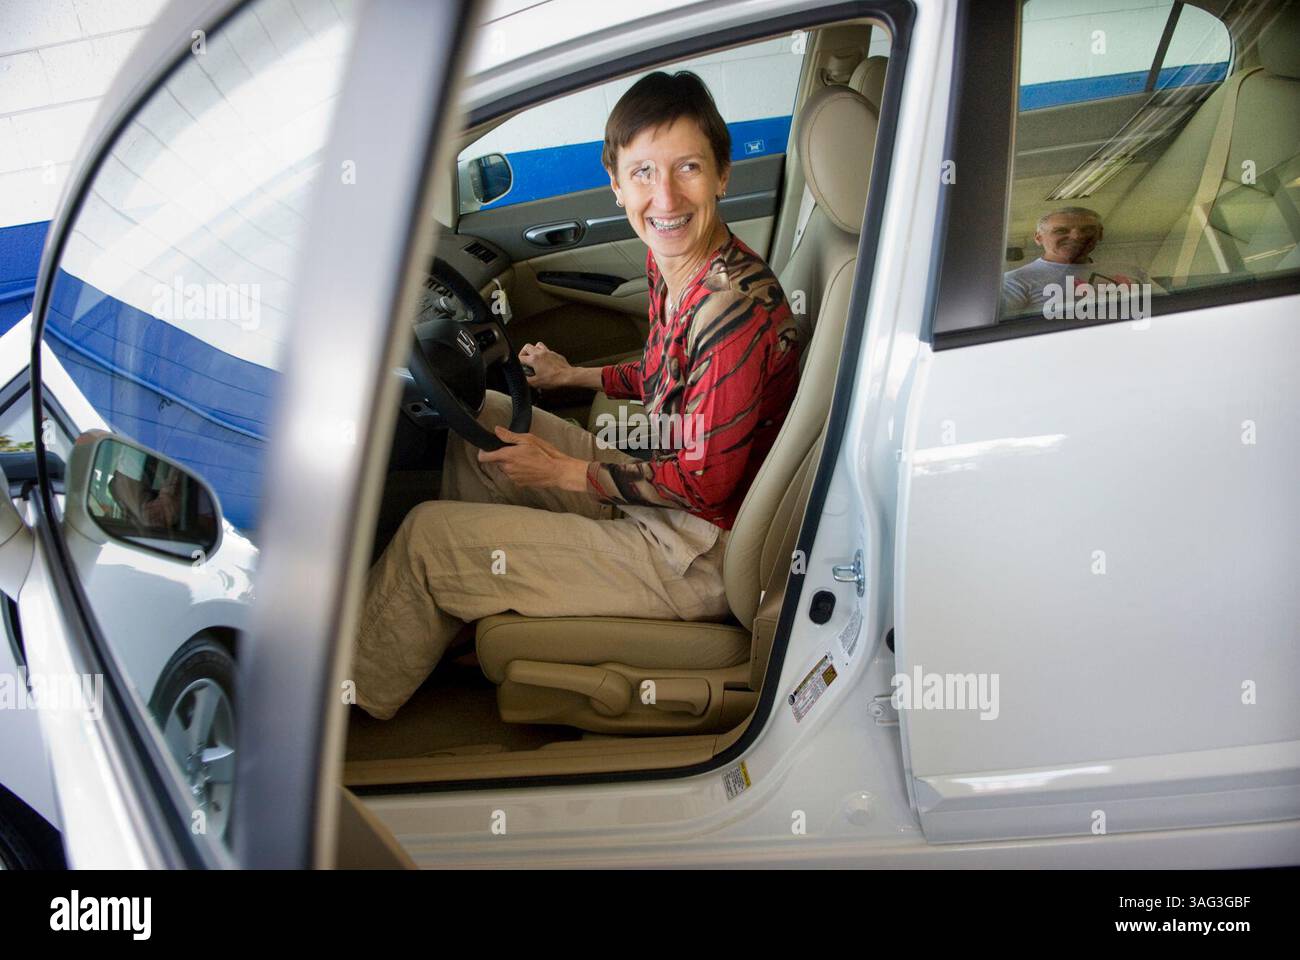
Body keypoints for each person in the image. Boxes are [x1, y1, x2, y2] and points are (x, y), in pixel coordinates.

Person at [350, 71, 801, 720]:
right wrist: (575, 377)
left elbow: (706, 482)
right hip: (668, 476)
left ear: (723, 175)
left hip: (695, 551)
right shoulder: (683, 261)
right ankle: (463, 607)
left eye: (689, 168)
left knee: (427, 538)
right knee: (487, 419)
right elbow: (669, 376)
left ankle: (344, 713)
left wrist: (565, 471)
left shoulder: (731, 312)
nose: (664, 195)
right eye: (643, 172)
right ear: (614, 183)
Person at [1002, 207, 1151, 315]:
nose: (1077, 237)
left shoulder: (1131, 271)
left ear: (1100, 234)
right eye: (1061, 231)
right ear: (1038, 238)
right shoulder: (1015, 282)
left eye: (1087, 230)